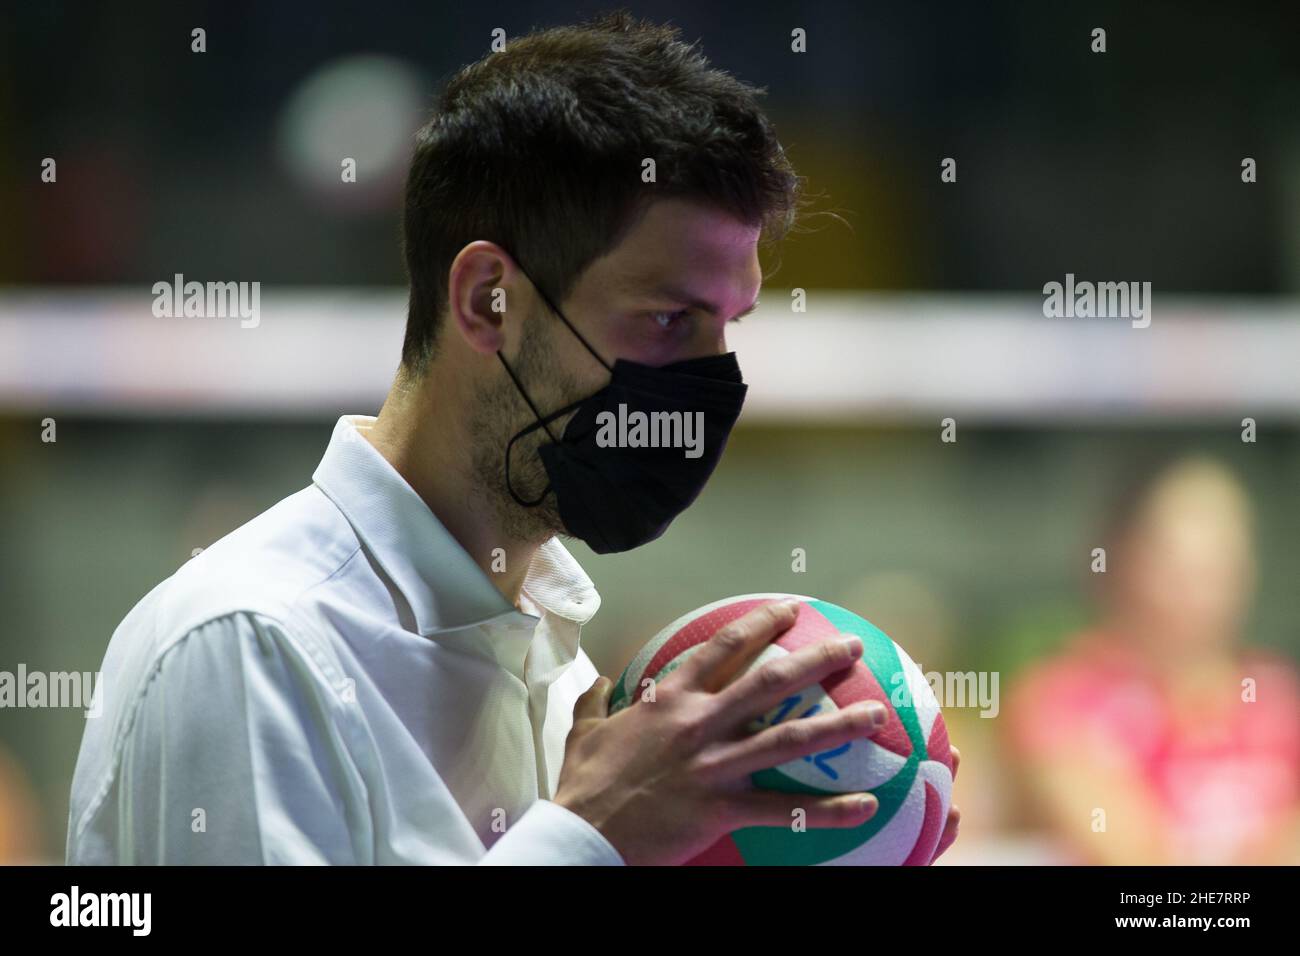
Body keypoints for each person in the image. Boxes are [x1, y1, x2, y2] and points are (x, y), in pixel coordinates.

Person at [66, 12, 958, 865]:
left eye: (730, 326)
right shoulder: (253, 642)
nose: (709, 384)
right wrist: (588, 841)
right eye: (667, 320)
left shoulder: (568, 676)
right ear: (488, 297)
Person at [1006, 456, 1300, 864]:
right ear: (1122, 559)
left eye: (1220, 557)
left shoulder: (1278, 697)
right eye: (1178, 558)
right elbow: (1129, 855)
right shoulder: (1064, 702)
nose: (1200, 585)